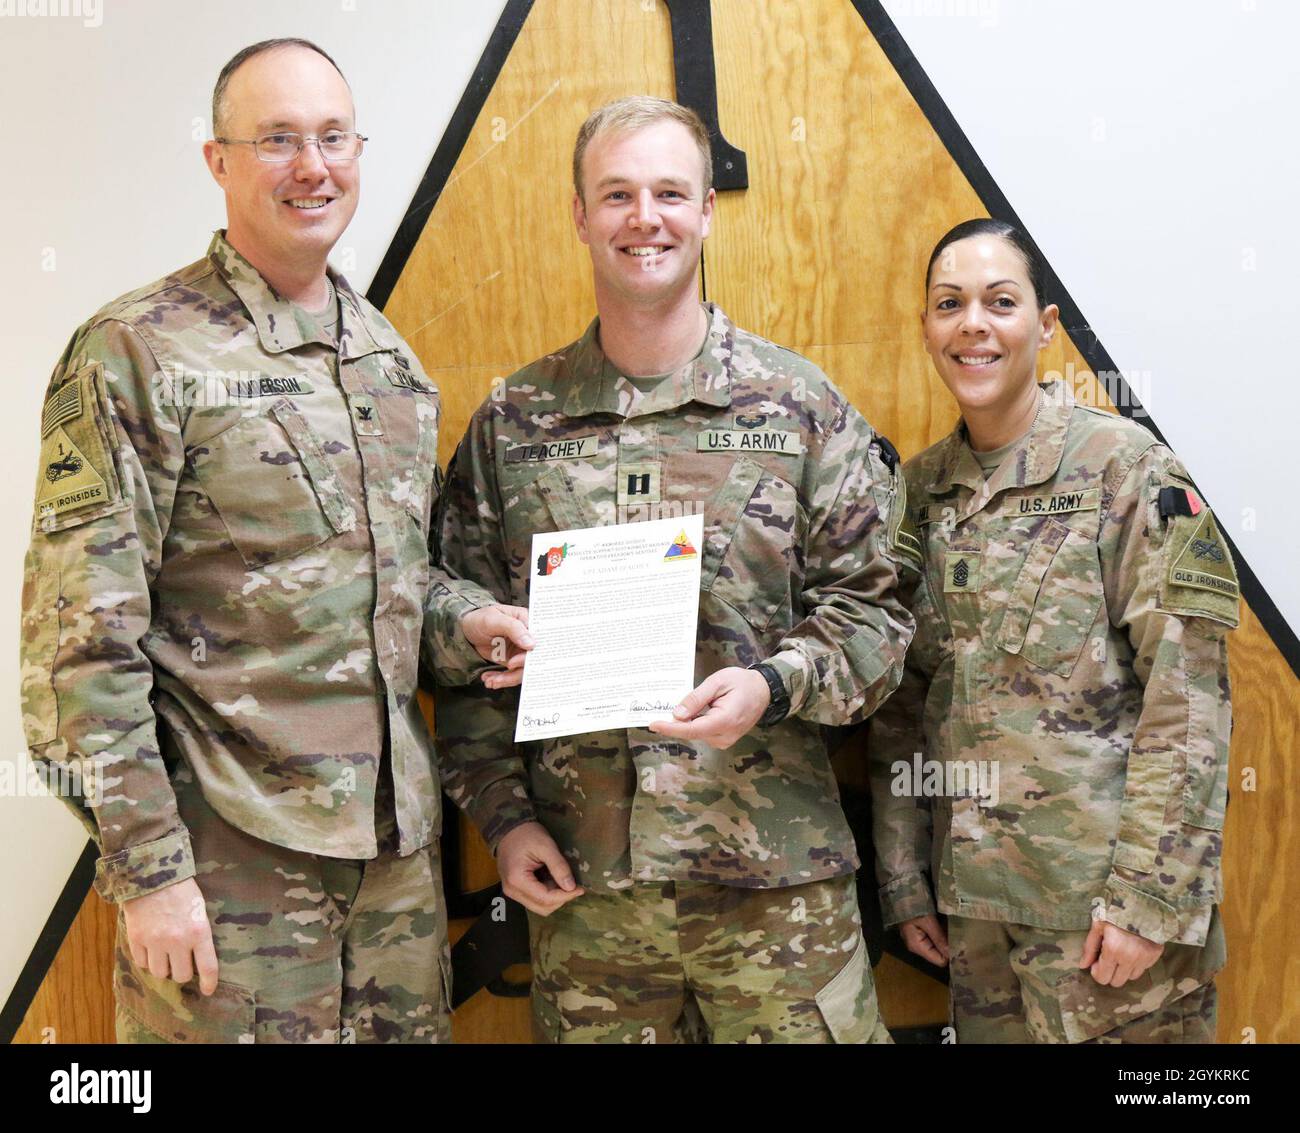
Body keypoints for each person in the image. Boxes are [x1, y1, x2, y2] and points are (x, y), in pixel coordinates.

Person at [18, 37, 532, 1044]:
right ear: (219, 160)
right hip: (228, 865)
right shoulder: (139, 350)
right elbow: (77, 640)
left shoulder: (385, 360)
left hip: (391, 865)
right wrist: (150, 871)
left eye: (334, 137)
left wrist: (467, 621)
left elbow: (395, 585)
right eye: (279, 139)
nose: (313, 166)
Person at [434, 96, 918, 1044]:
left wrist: (774, 685)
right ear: (580, 216)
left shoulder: (799, 406)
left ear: (705, 211)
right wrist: (503, 820)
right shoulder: (514, 421)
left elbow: (876, 619)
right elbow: (454, 633)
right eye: (616, 194)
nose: (642, 217)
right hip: (588, 901)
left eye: (668, 192)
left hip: (778, 894)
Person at [868, 218, 1237, 1043]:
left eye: (1001, 301)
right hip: (978, 925)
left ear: (1044, 325)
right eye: (949, 303)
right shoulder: (921, 495)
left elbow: (1190, 704)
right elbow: (902, 707)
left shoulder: (1127, 468)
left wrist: (1150, 898)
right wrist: (903, 882)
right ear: (927, 327)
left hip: (1109, 932)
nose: (973, 324)